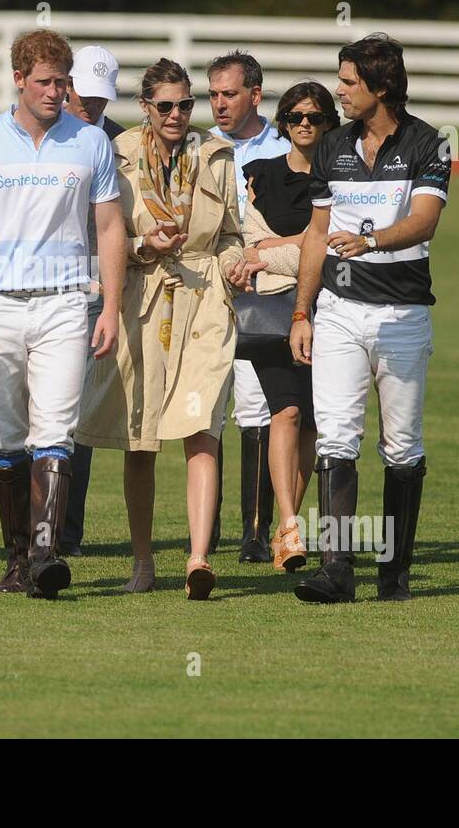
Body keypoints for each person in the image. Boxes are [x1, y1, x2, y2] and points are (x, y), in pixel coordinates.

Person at [0, 29, 125, 599]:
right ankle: (17, 560)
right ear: (18, 79)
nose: (54, 92)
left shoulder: (90, 142)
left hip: (67, 301)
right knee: (6, 437)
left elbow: (111, 226)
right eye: (44, 82)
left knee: (55, 428)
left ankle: (45, 555)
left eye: (61, 82)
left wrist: (109, 304)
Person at [78, 59, 248, 600]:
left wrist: (235, 264)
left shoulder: (216, 154)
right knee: (140, 438)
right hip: (139, 300)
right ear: (146, 108)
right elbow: (98, 236)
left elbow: (231, 234)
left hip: (205, 301)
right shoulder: (117, 154)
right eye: (165, 106)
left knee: (202, 430)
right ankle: (144, 563)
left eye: (185, 105)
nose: (177, 115)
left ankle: (198, 559)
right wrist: (140, 247)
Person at [289, 34, 451, 603]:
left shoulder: (429, 144)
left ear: (381, 87)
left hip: (403, 316)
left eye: (350, 82)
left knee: (402, 448)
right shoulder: (331, 146)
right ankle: (337, 571)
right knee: (335, 439)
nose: (340, 90)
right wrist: (302, 311)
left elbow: (425, 221)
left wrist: (370, 239)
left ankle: (394, 575)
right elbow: (314, 235)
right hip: (336, 311)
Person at [228, 80, 338, 571]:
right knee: (287, 414)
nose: (305, 126)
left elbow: (329, 246)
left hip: (333, 313)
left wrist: (272, 254)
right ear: (284, 122)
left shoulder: (344, 178)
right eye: (295, 117)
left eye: (315, 117)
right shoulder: (261, 174)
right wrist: (294, 251)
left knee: (316, 424)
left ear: (329, 123)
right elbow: (242, 244)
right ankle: (291, 525)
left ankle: (279, 529)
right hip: (274, 319)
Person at [207, 50, 291, 563]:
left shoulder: (285, 148)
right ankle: (206, 530)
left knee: (258, 406)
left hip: (266, 290)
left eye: (229, 94)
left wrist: (257, 259)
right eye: (213, 94)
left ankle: (256, 534)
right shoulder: (199, 149)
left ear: (254, 95)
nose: (219, 104)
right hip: (210, 290)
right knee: (208, 407)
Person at [59, 44, 124, 556]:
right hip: (31, 289)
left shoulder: (119, 143)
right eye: (85, 95)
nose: (92, 107)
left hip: (90, 295)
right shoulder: (40, 134)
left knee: (73, 414)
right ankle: (31, 530)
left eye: (101, 99)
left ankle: (65, 532)